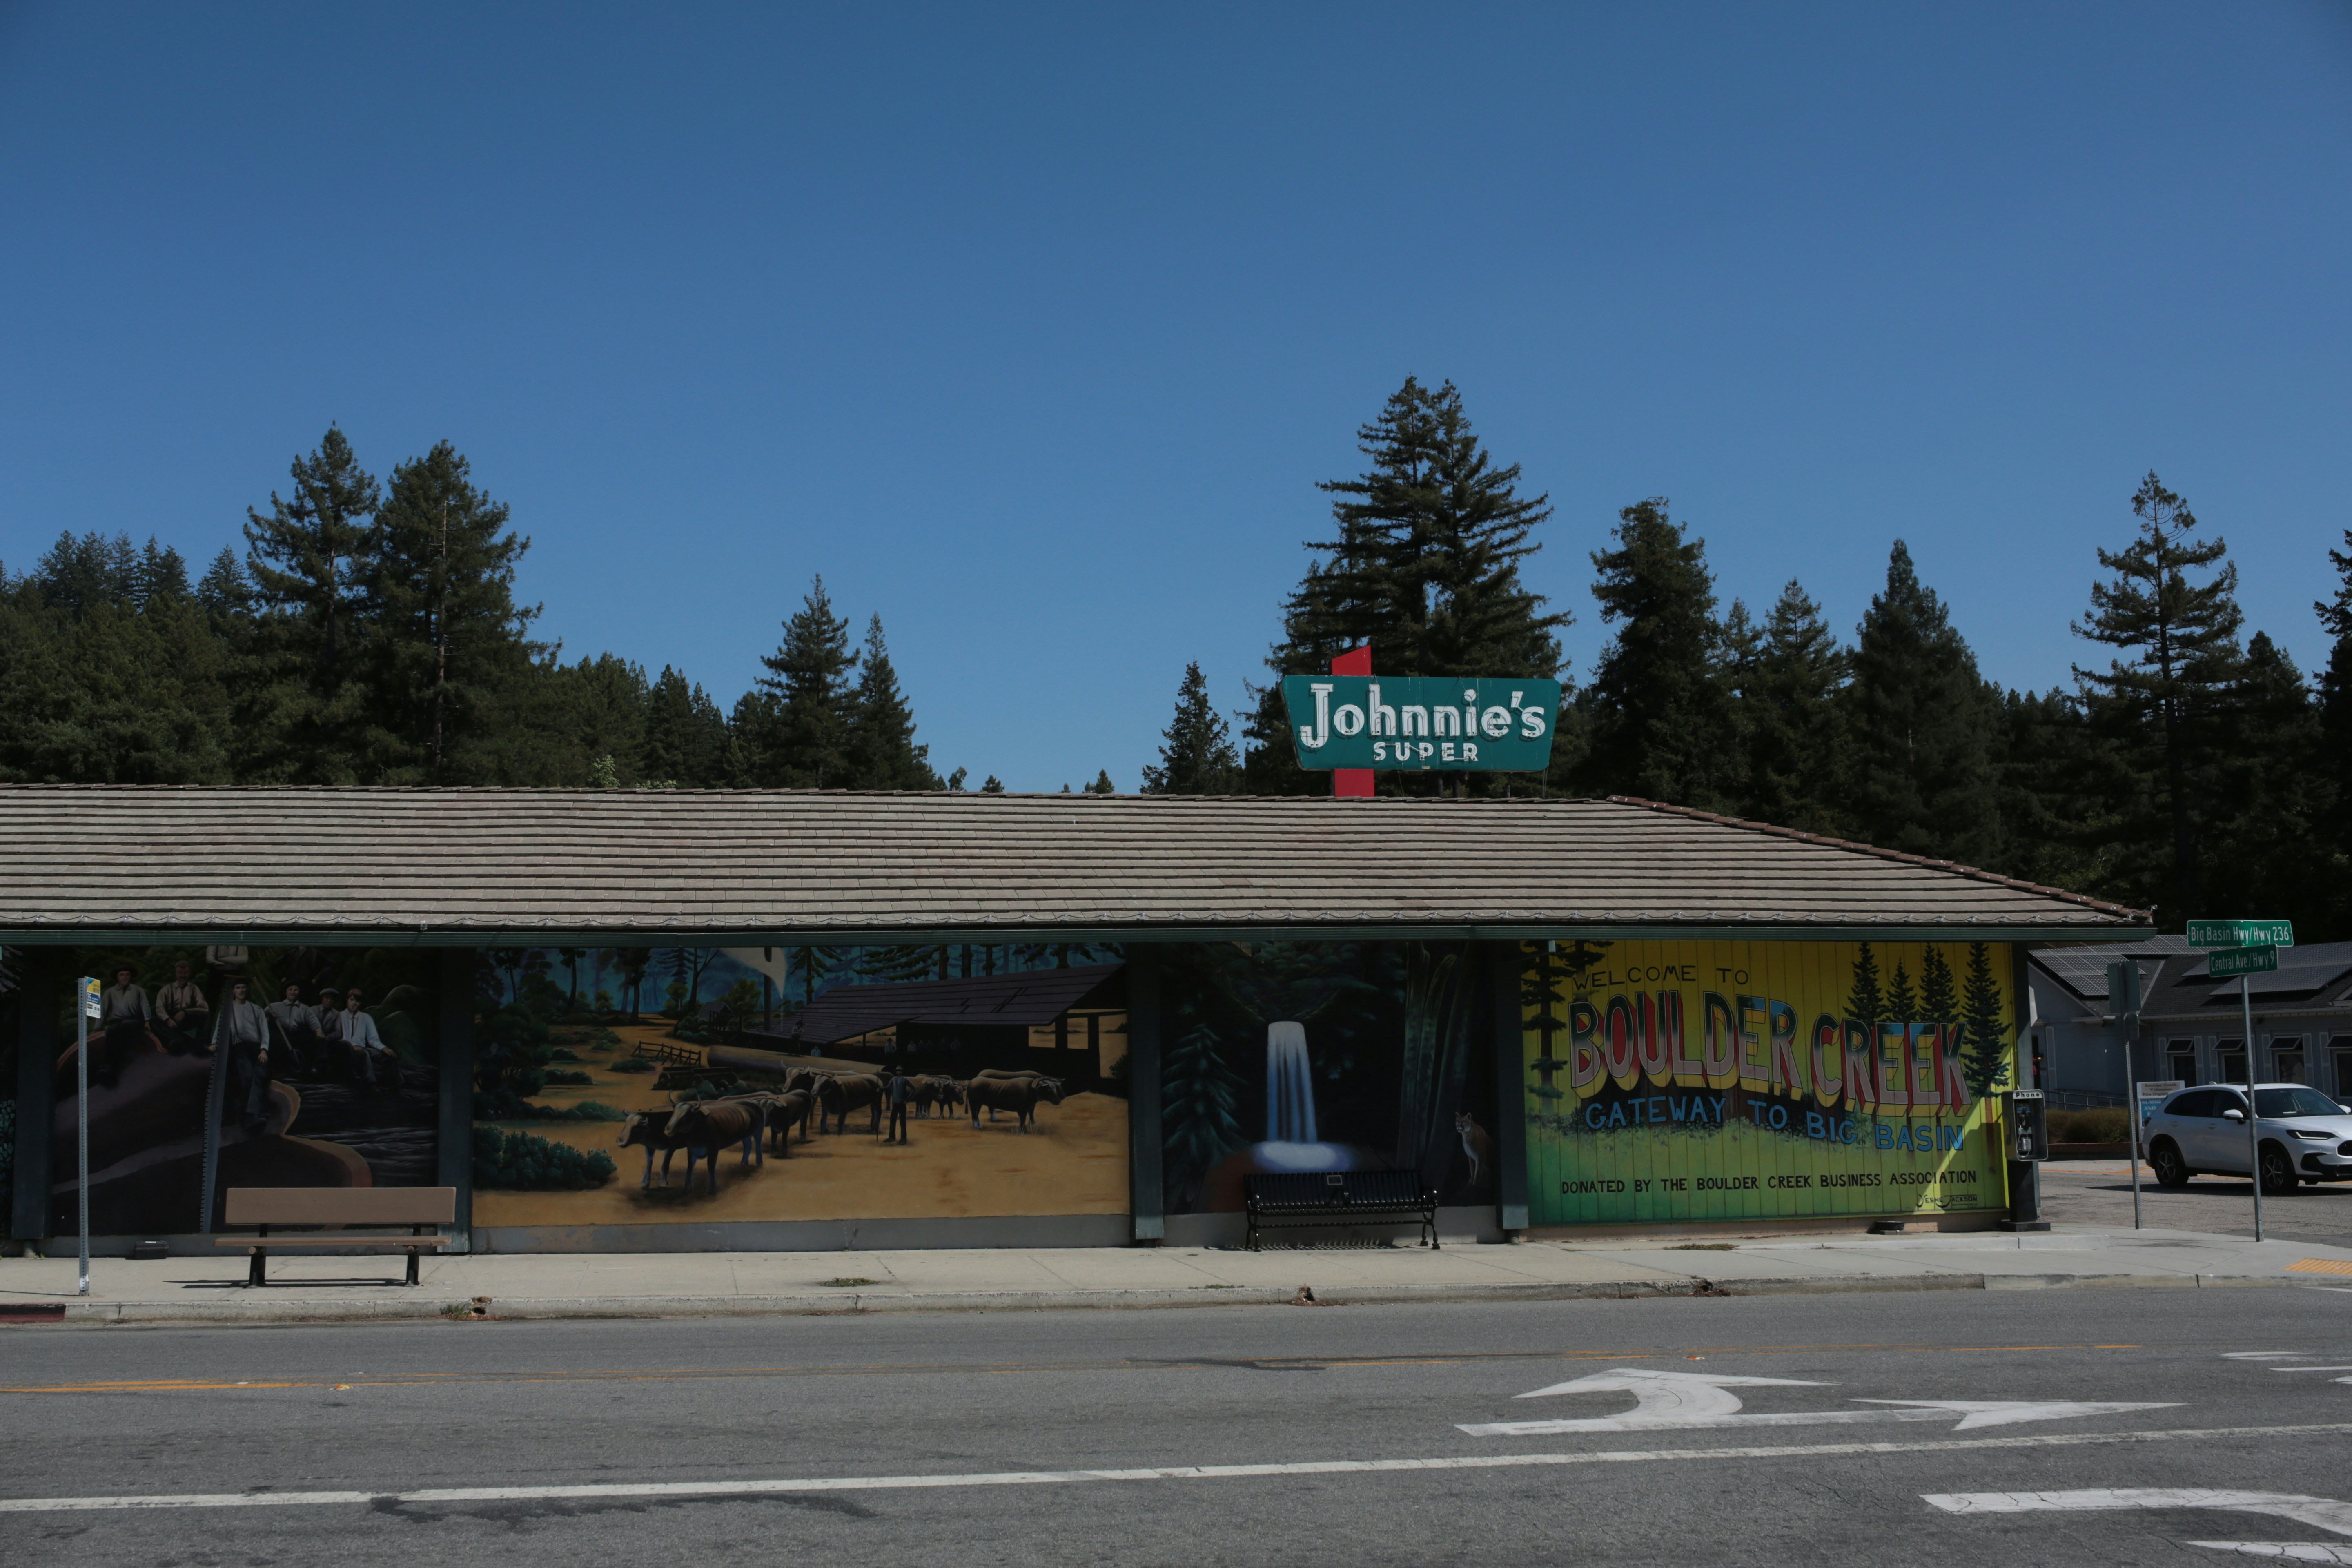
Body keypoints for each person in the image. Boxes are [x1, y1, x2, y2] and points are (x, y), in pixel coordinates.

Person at [211, 978, 273, 1137]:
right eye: (238, 988)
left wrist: (264, 1049)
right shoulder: (227, 1010)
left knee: (260, 1076)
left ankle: (253, 1118)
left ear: (247, 989)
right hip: (239, 1048)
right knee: (247, 1078)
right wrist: (214, 1044)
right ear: (233, 991)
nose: (241, 990)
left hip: (257, 1048)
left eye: (244, 987)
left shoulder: (256, 1009)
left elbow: (265, 1031)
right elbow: (220, 1028)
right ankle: (250, 1118)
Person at [342, 989, 395, 1091]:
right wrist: (353, 1046)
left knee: (389, 1056)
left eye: (358, 1001)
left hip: (362, 1049)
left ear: (361, 1003)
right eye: (352, 1000)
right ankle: (370, 1085)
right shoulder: (339, 1016)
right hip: (346, 1050)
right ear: (347, 1000)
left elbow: (373, 1039)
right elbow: (341, 1038)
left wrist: (384, 1048)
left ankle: (396, 1087)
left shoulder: (366, 1018)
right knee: (364, 1053)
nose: (354, 1003)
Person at [265, 981, 319, 1075]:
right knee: (275, 1039)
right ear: (286, 992)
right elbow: (262, 1021)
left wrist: (319, 1030)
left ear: (299, 992)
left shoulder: (305, 1009)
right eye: (290, 990)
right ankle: (276, 1070)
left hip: (297, 1036)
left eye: (296, 990)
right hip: (280, 1035)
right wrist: (269, 1019)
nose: (293, 993)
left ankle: (305, 1071)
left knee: (311, 1039)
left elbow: (313, 1021)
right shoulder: (273, 1007)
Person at [885, 1067, 911, 1145]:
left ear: (902, 1072)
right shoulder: (893, 1079)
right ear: (896, 1072)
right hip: (895, 1104)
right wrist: (880, 1089)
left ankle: (904, 1139)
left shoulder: (905, 1080)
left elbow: (914, 1089)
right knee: (892, 1121)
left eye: (900, 1071)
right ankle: (892, 1137)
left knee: (903, 1123)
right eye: (897, 1071)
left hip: (902, 1105)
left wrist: (908, 1100)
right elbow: (887, 1088)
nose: (899, 1072)